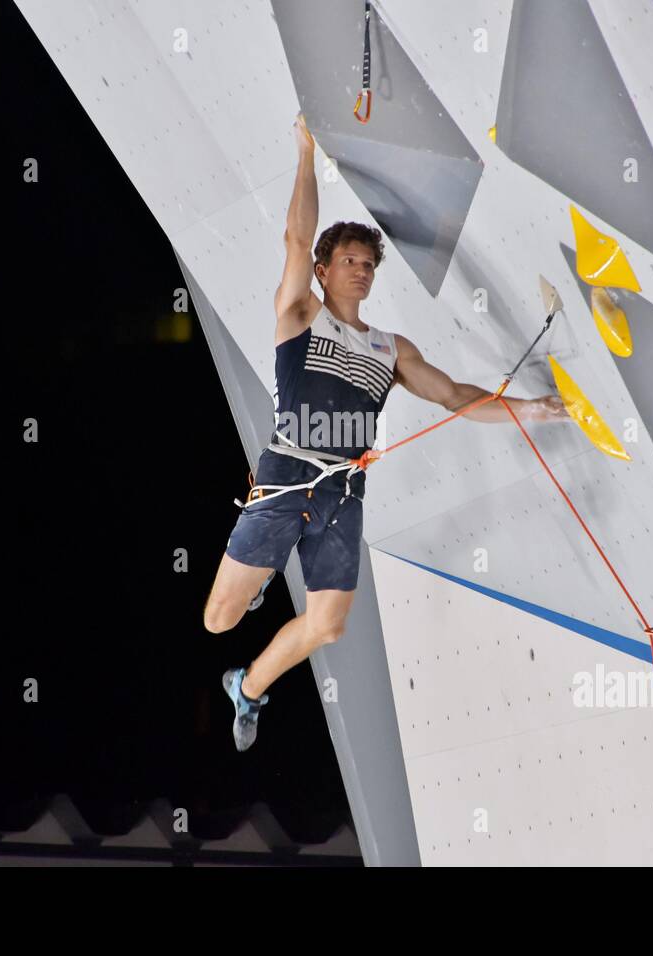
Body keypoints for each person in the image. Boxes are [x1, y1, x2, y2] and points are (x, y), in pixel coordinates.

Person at [204, 113, 568, 751]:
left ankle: (249, 687)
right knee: (218, 620)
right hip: (287, 476)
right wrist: (306, 151)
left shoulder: (391, 347)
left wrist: (533, 411)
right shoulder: (300, 313)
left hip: (344, 492)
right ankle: (259, 582)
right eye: (348, 260)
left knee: (329, 628)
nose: (361, 271)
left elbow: (455, 396)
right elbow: (295, 239)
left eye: (369, 263)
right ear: (323, 270)